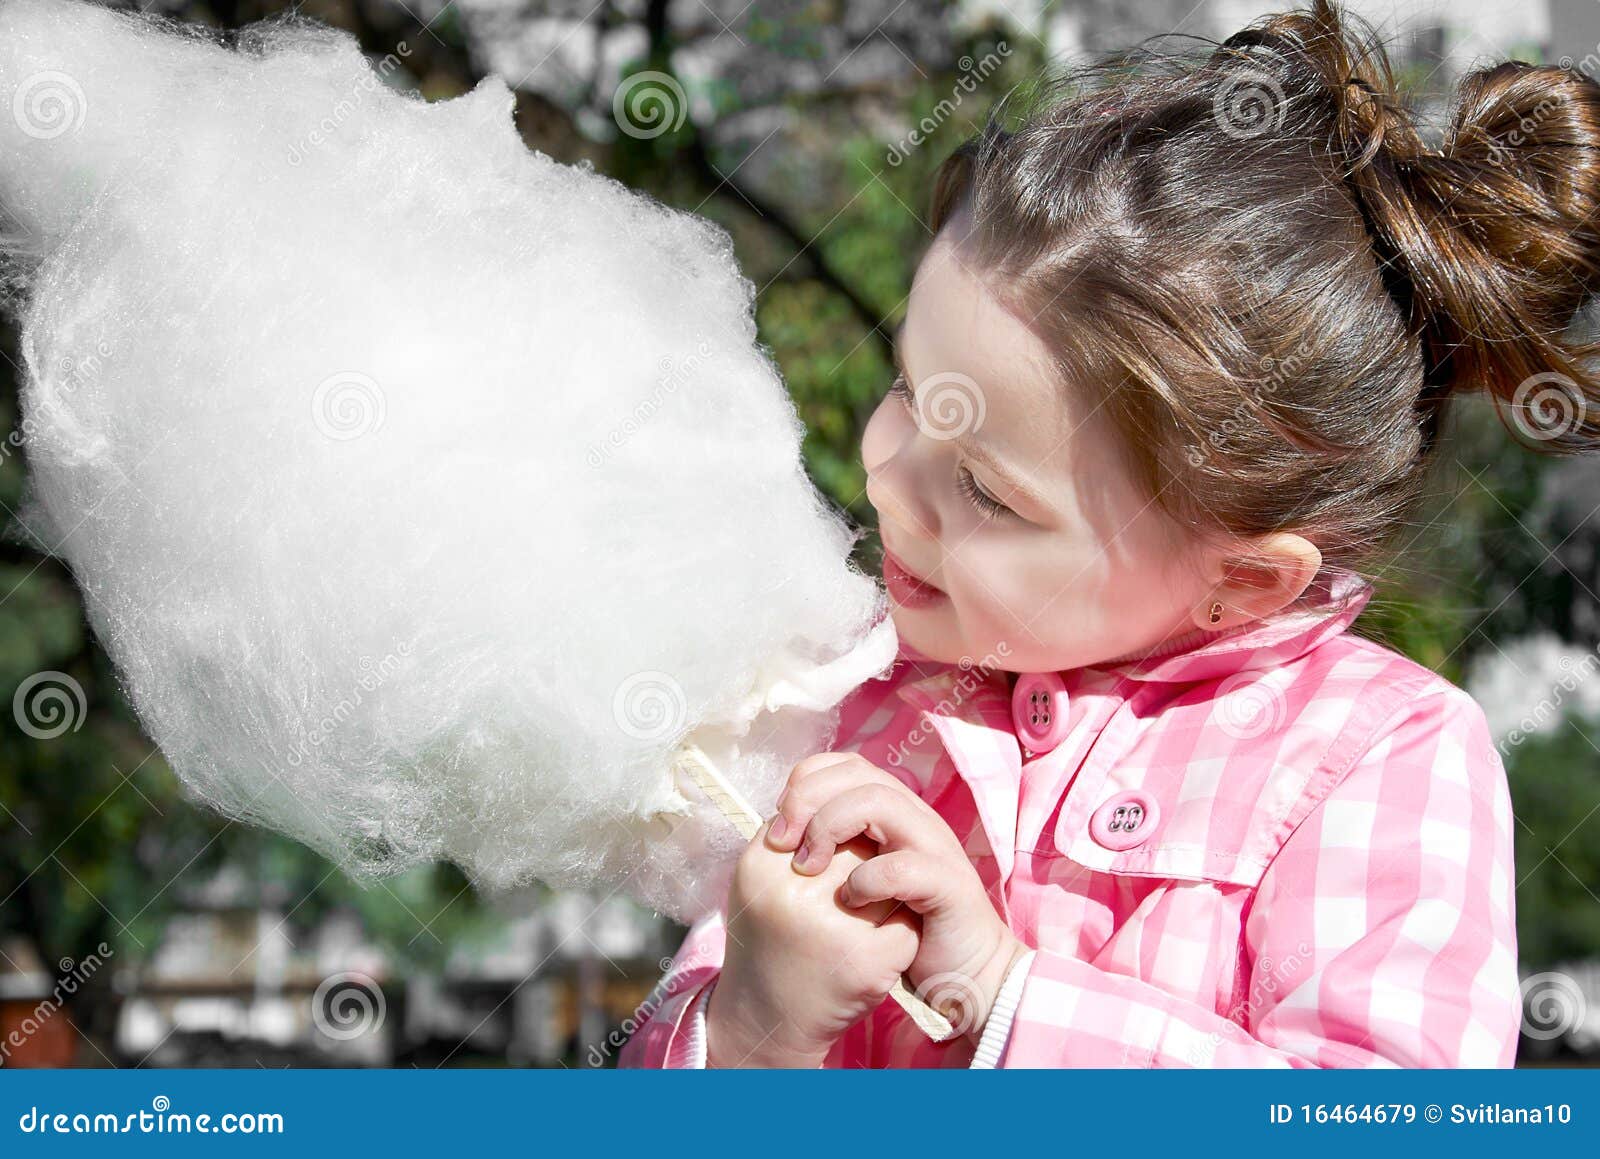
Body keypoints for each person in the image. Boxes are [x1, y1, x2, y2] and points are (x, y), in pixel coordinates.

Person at [621, 0, 1599, 1067]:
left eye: (988, 493)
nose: (892, 482)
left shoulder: (1382, 753)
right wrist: (751, 1028)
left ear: (1245, 579)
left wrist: (1005, 998)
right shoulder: (844, 704)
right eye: (909, 388)